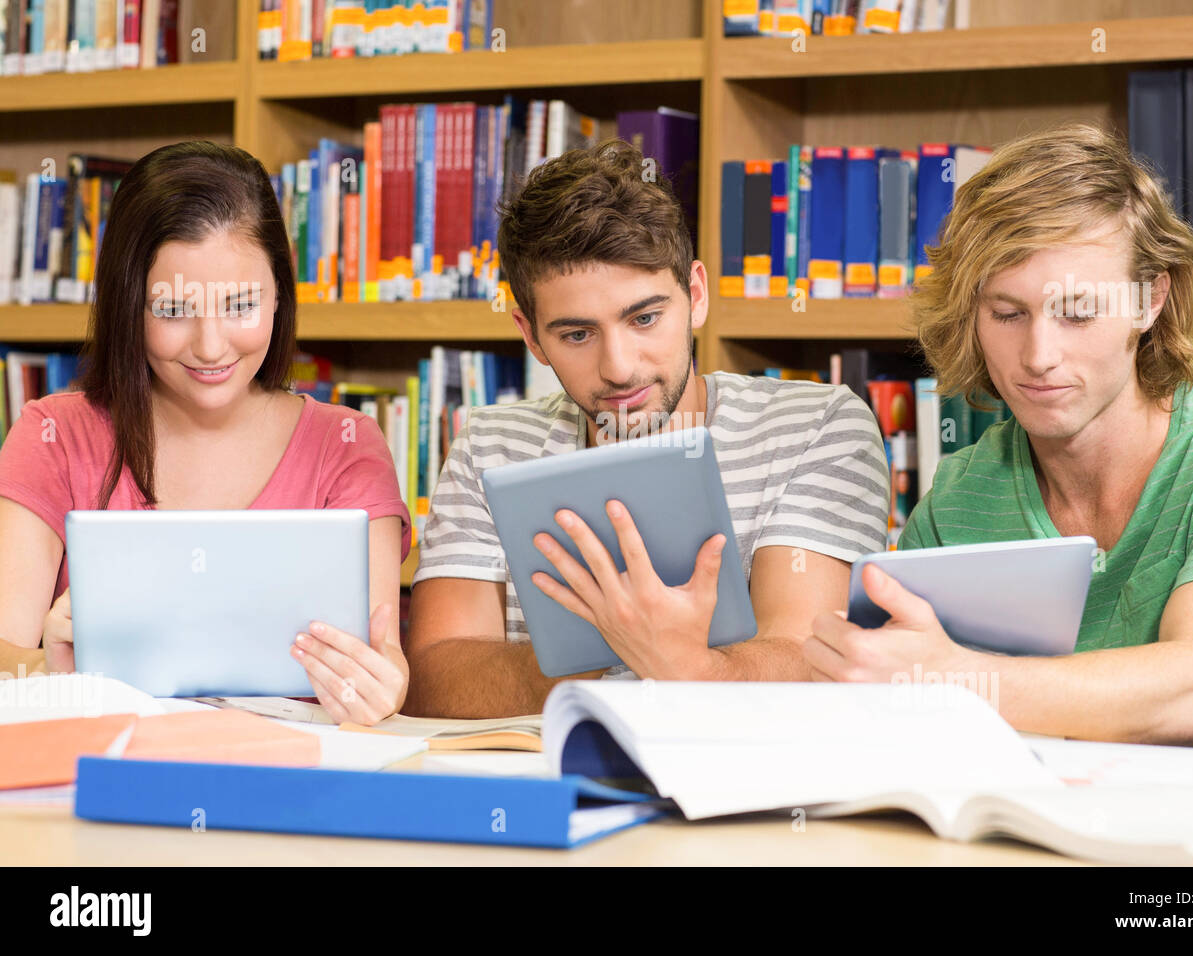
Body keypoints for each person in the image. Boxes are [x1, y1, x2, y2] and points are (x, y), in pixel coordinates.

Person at [804, 124, 1193, 762]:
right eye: (1006, 314)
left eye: (1078, 312)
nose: (1038, 356)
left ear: (1149, 301)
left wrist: (949, 677)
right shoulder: (958, 497)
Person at [405, 139, 889, 718]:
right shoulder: (489, 444)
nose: (618, 367)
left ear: (697, 294)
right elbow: (433, 680)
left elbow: (811, 665)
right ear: (530, 336)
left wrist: (679, 663)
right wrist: (617, 634)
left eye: (645, 318)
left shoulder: (818, 426)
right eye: (577, 334)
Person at [0, 141, 412, 725]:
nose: (212, 346)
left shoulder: (346, 445)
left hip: (293, 777)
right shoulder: (55, 437)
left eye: (241, 304)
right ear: (128, 304)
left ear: (278, 295)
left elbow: (379, 655)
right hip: (109, 773)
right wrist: (51, 672)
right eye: (172, 310)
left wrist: (382, 686)